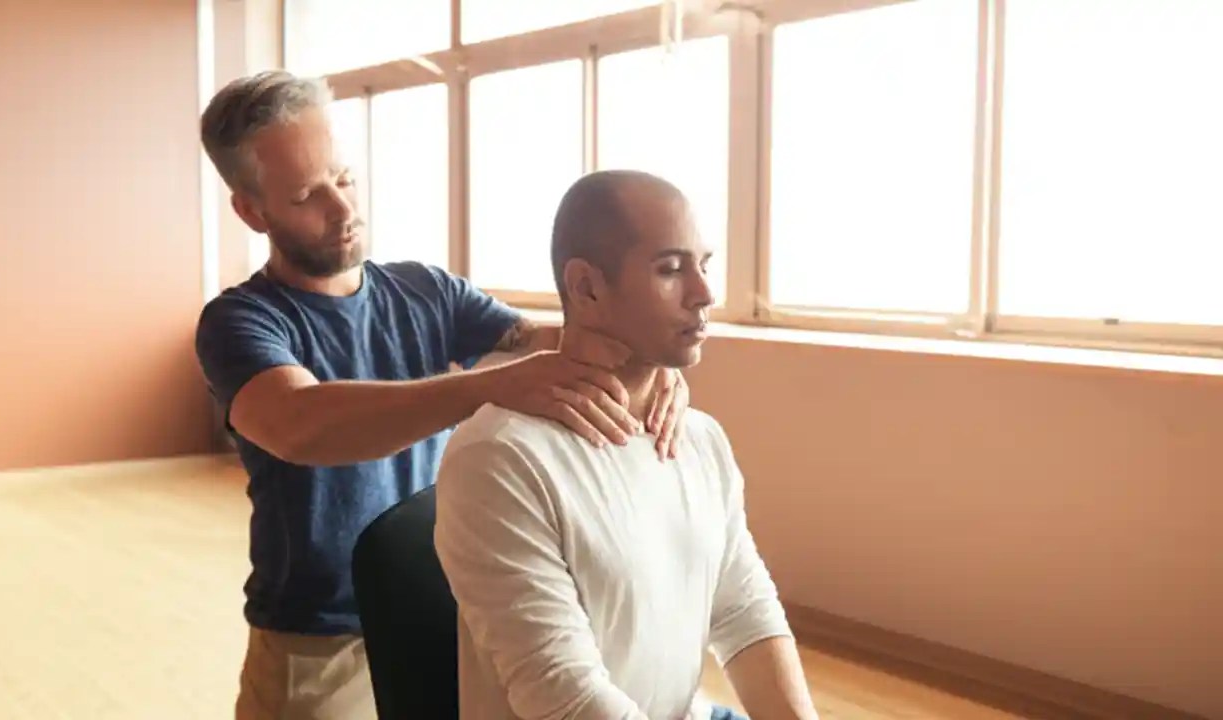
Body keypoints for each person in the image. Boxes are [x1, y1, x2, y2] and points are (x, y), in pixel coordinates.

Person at [194, 71, 691, 719]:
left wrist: (643, 352)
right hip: (319, 643)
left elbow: (554, 346)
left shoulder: (427, 291)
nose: (342, 209)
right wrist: (487, 385)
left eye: (345, 179)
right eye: (308, 195)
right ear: (252, 211)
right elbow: (298, 422)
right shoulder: (239, 321)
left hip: (445, 611)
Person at [434, 170, 820, 720]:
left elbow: (744, 610)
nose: (705, 293)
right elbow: (566, 698)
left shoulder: (700, 438)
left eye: (703, 264)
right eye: (671, 269)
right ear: (587, 288)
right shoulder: (498, 458)